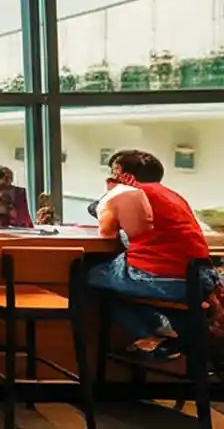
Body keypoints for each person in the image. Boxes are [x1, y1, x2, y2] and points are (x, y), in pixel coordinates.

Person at [86, 149, 216, 362]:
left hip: (162, 278)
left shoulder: (128, 192)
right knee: (118, 286)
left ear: (119, 172)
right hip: (199, 279)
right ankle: (164, 332)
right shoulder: (172, 195)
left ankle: (146, 336)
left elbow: (105, 227)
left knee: (91, 277)